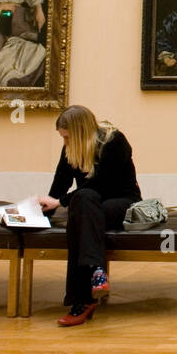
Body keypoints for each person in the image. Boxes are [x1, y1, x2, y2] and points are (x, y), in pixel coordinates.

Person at [37, 106, 142, 326]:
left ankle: (81, 301)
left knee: (83, 208)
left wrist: (62, 202)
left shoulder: (115, 141)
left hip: (121, 201)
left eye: (67, 137)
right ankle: (97, 272)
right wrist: (44, 206)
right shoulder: (71, 148)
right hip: (88, 205)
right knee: (84, 202)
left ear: (80, 131)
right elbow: (61, 182)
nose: (65, 142)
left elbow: (102, 183)